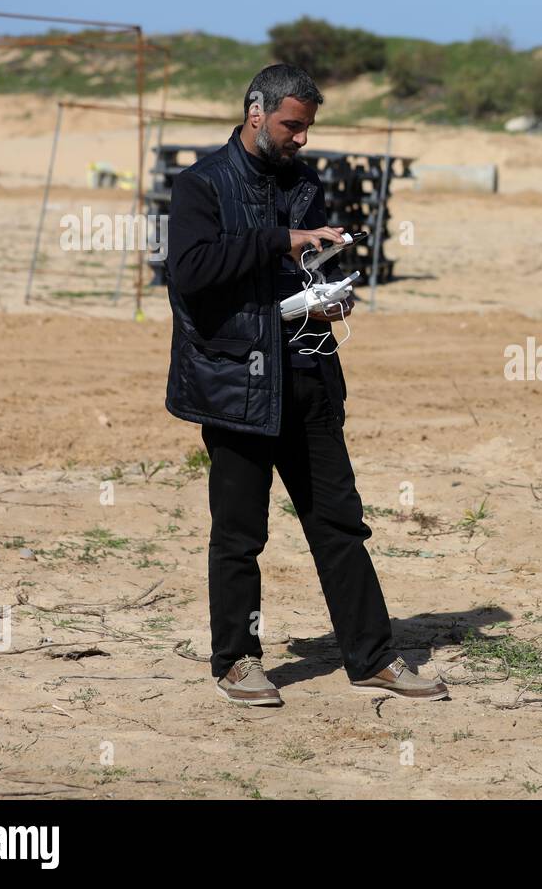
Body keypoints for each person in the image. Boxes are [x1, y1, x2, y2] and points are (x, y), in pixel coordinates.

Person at [163, 63, 447, 704]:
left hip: (308, 374)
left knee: (340, 523)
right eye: (293, 125)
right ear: (255, 113)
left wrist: (324, 299)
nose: (301, 138)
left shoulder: (305, 185)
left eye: (308, 127)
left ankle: (373, 657)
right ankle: (237, 661)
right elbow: (190, 272)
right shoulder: (200, 185)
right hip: (236, 386)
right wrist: (276, 241)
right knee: (240, 534)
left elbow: (301, 271)